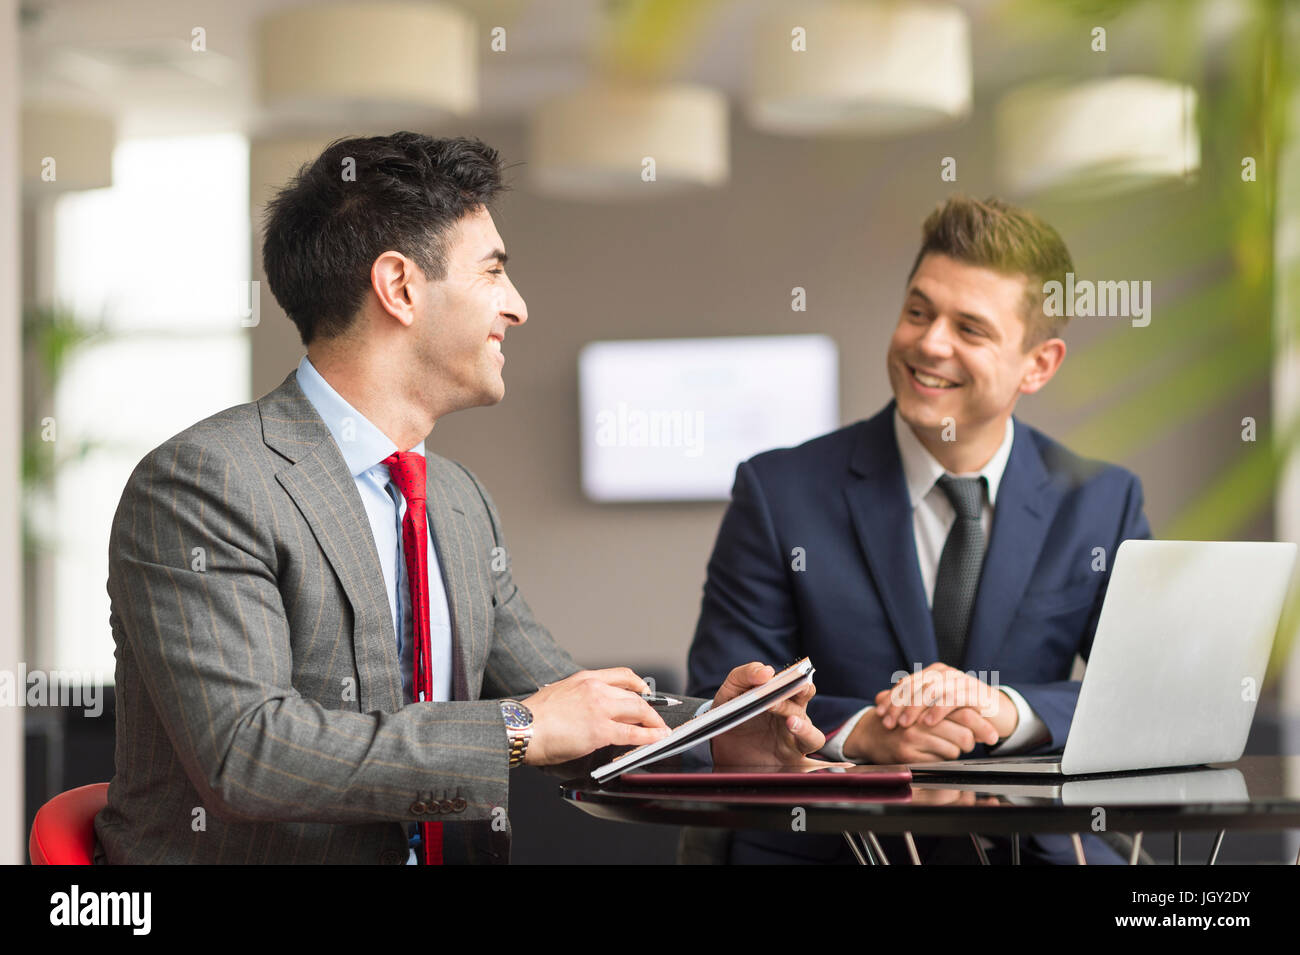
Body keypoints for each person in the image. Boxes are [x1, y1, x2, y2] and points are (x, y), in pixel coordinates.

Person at [93, 133, 823, 865]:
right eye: (494, 272)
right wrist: (518, 728)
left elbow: (561, 698)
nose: (519, 307)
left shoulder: (456, 500)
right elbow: (249, 751)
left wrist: (715, 730)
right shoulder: (205, 483)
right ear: (400, 287)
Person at [685, 195, 1151, 865]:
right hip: (826, 848)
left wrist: (1009, 710)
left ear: (1038, 364)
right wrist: (864, 731)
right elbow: (719, 699)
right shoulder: (777, 491)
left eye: (970, 328)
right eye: (918, 311)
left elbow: (1143, 694)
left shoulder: (1102, 501)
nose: (929, 343)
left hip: (1030, 847)